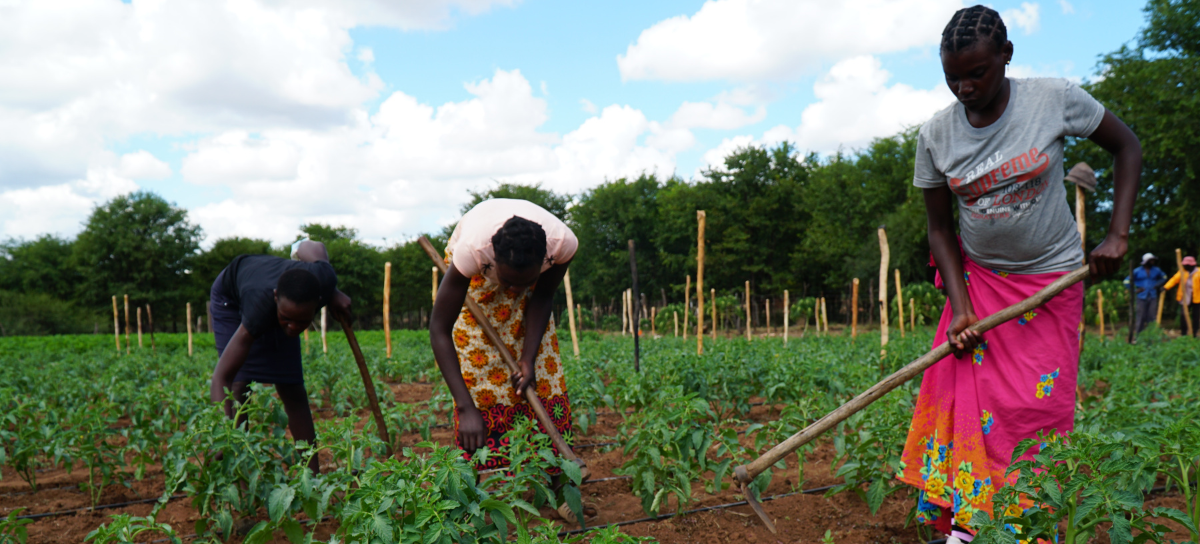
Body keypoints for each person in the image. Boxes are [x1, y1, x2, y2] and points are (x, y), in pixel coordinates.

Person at [896, 5, 1140, 542]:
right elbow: (939, 230)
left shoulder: (1052, 100)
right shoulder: (936, 135)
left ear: (1006, 56)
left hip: (1052, 280)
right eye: (952, 77)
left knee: (1036, 407)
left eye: (977, 72)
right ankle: (966, 524)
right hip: (980, 286)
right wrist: (961, 308)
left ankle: (1024, 523)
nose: (964, 87)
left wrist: (1117, 234)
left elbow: (1127, 146)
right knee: (971, 405)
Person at [429, 198, 592, 521]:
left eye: (524, 282)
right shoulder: (473, 252)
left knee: (546, 381)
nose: (516, 291)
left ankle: (562, 494)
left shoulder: (562, 245)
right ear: (494, 263)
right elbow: (439, 329)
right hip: (476, 293)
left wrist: (528, 359)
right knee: (479, 384)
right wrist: (465, 407)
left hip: (535, 300)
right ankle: (466, 498)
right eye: (510, 283)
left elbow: (541, 295)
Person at [209, 241, 352, 473]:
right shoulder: (259, 309)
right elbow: (221, 376)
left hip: (282, 296)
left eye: (303, 322)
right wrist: (221, 429)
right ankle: (236, 470)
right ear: (276, 298)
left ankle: (311, 475)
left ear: (317, 303)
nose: (293, 327)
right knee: (240, 384)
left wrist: (332, 292)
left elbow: (307, 245)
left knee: (292, 387)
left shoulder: (323, 278)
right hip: (232, 298)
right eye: (287, 319)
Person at [1125, 253, 1167, 337]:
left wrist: (1158, 284)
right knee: (1141, 317)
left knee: (1151, 316)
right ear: (1146, 261)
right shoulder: (1137, 271)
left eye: (1153, 260)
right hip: (1141, 297)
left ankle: (1151, 336)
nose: (1152, 262)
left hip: (1152, 296)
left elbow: (1164, 277)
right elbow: (1126, 281)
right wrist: (1134, 290)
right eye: (1151, 260)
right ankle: (1139, 336)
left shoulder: (1156, 270)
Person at [1163, 256, 1200, 337]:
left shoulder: (1198, 272)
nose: (1185, 266)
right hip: (1184, 298)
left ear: (1192, 265)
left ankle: (1194, 333)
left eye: (1187, 265)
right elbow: (1174, 280)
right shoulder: (1182, 272)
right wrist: (1166, 287)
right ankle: (1184, 334)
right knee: (1183, 316)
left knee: (1196, 316)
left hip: (1196, 298)